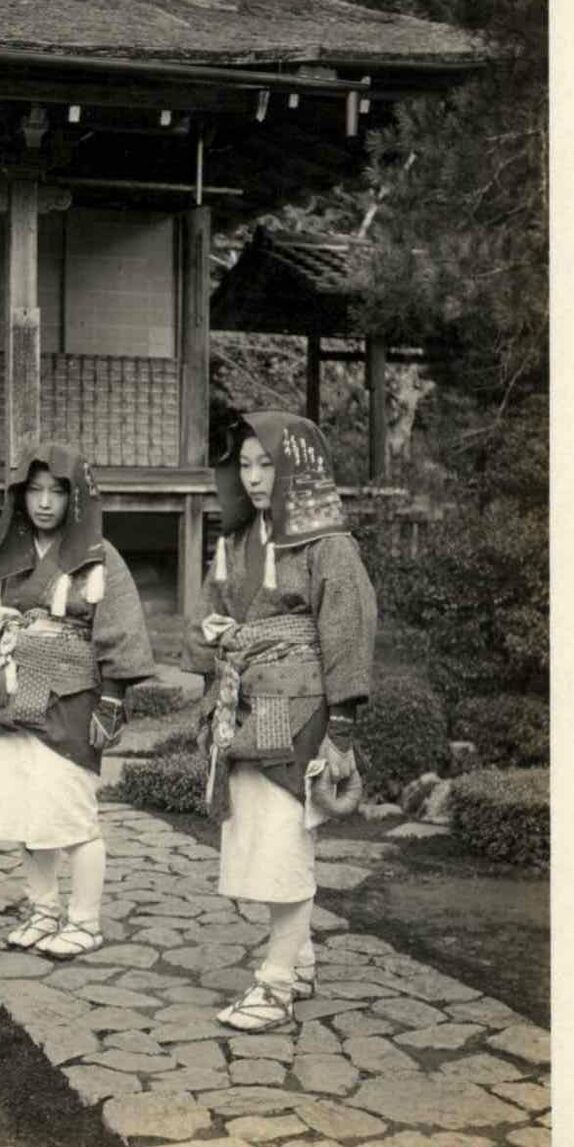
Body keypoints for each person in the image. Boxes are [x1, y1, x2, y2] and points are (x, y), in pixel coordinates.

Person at [185, 410, 376, 1033]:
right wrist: (214, 639)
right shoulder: (235, 541)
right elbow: (209, 612)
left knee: (280, 840)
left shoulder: (328, 545)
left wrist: (340, 730)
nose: (256, 477)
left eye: (268, 464)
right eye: (245, 465)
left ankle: (275, 983)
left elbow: (347, 627)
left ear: (299, 467)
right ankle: (302, 958)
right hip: (243, 705)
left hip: (298, 708)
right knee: (257, 836)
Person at [0, 441, 154, 959]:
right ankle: (43, 910)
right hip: (11, 691)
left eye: (56, 492)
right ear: (20, 497)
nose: (44, 502)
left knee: (70, 812)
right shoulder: (7, 560)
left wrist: (111, 701)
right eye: (34, 491)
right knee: (25, 810)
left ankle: (84, 920)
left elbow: (121, 630)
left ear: (75, 498)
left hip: (69, 698)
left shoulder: (98, 557)